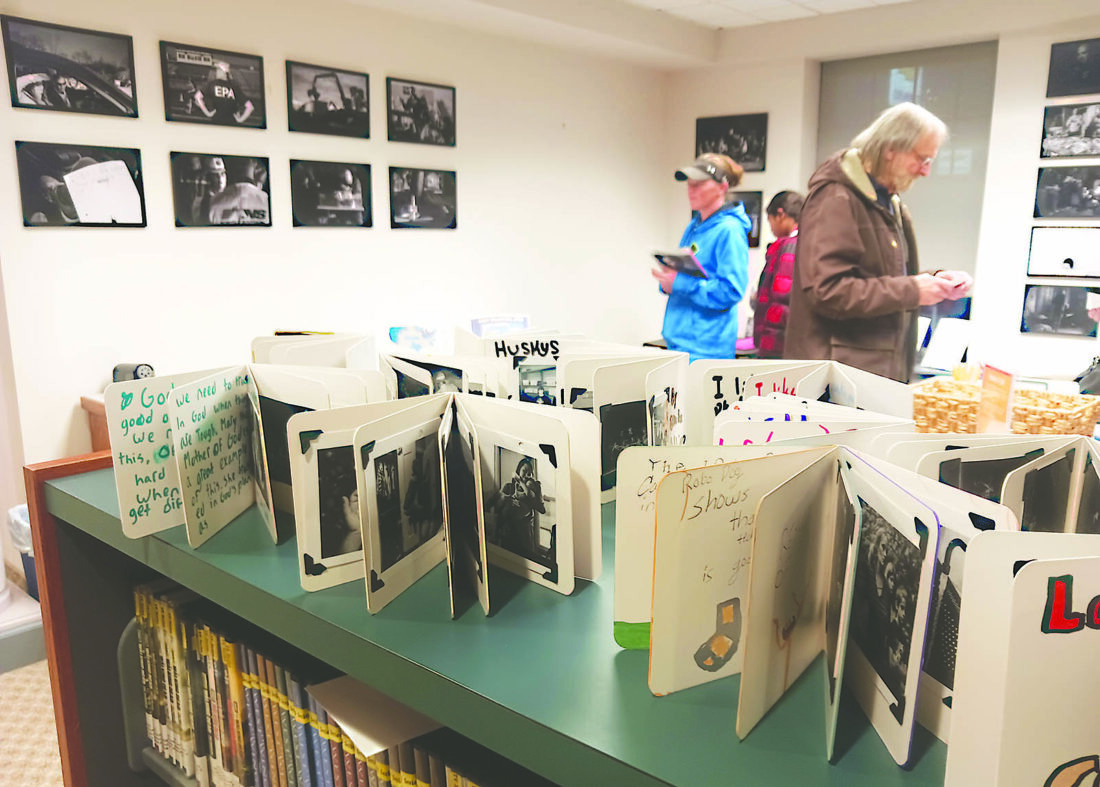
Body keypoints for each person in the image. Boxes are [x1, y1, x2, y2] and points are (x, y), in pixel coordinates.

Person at [784, 102, 973, 382]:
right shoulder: (836, 198)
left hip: (870, 375)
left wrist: (935, 281)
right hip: (837, 383)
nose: (925, 172)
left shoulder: (887, 203)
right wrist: (911, 290)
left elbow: (882, 279)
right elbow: (827, 291)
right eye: (922, 159)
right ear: (890, 149)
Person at [652, 153, 751, 361]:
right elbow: (687, 275)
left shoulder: (729, 231)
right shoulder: (695, 225)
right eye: (689, 184)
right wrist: (668, 280)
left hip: (706, 350)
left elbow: (730, 291)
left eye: (699, 184)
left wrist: (679, 284)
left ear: (722, 186)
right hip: (678, 342)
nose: (691, 190)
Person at [752, 190, 803, 359]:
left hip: (777, 346)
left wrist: (767, 347)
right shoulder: (802, 243)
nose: (772, 228)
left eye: (770, 221)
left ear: (780, 214)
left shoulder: (790, 247)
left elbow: (782, 301)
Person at [193, 61, 255, 125]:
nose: (217, 72)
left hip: (216, 121)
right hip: (231, 123)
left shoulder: (212, 84)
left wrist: (207, 113)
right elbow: (250, 107)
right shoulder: (234, 87)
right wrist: (240, 120)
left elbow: (197, 97)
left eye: (219, 70)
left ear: (224, 72)